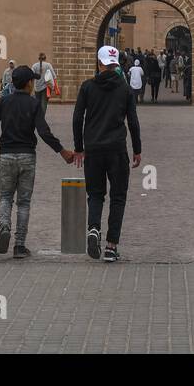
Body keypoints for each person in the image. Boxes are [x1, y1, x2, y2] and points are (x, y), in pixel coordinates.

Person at [0, 65, 76, 257]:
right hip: (27, 156)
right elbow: (43, 132)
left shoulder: (4, 102)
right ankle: (19, 245)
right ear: (28, 84)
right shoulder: (34, 104)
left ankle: (4, 227)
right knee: (24, 202)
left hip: (6, 154)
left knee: (5, 197)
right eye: (33, 81)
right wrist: (62, 151)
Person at [73, 45, 143, 262]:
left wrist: (78, 148)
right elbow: (133, 121)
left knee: (95, 195)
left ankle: (94, 229)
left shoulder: (87, 87)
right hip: (116, 149)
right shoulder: (124, 89)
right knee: (118, 197)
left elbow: (77, 119)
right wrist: (137, 149)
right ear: (116, 64)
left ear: (99, 63)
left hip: (93, 149)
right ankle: (111, 246)